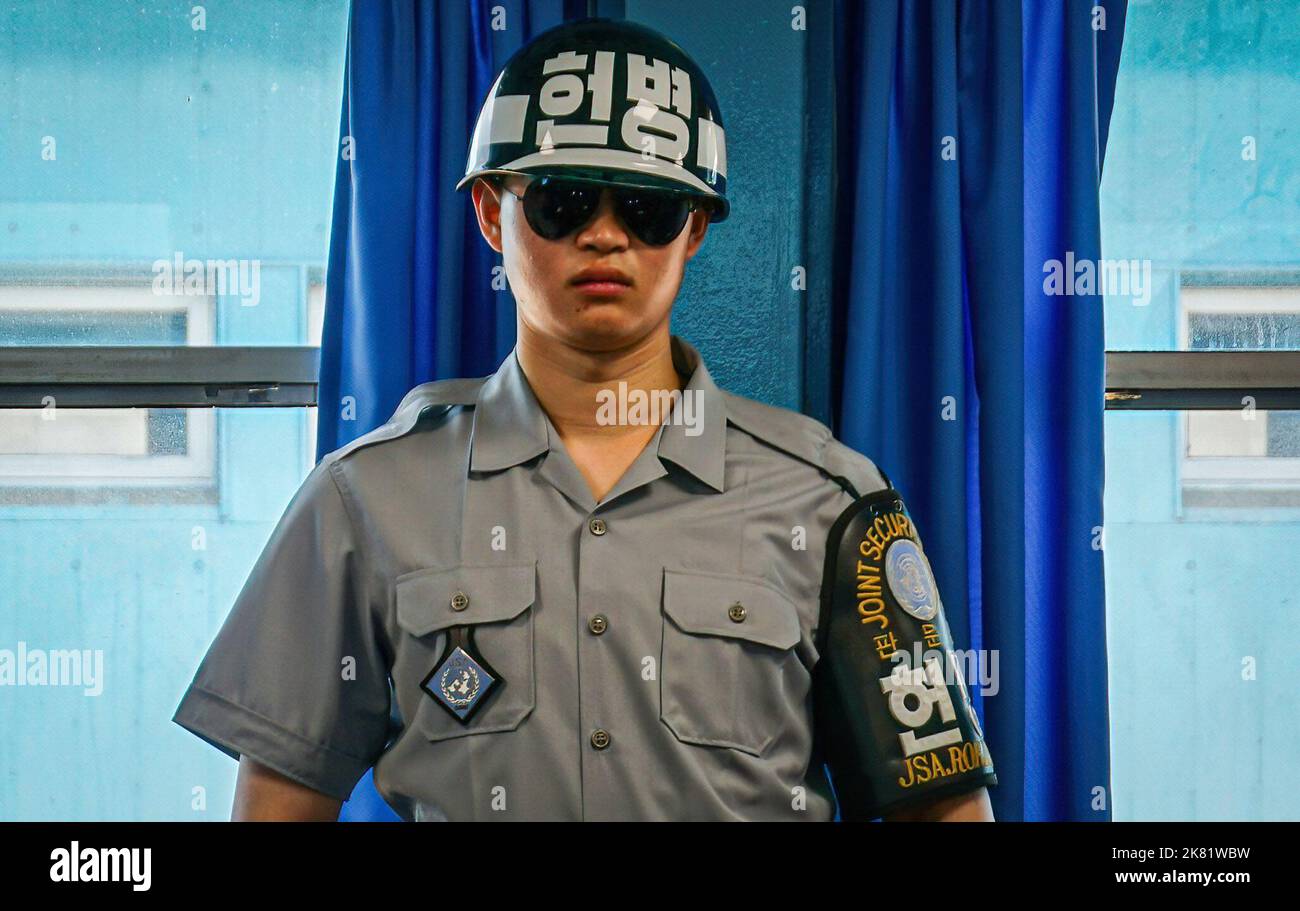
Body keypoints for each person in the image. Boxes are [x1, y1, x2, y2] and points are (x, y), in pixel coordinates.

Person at [173, 16, 995, 822]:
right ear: (494, 214)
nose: (605, 236)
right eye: (563, 202)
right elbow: (280, 805)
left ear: (696, 228)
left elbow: (943, 806)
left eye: (648, 207)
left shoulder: (832, 504)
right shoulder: (365, 500)